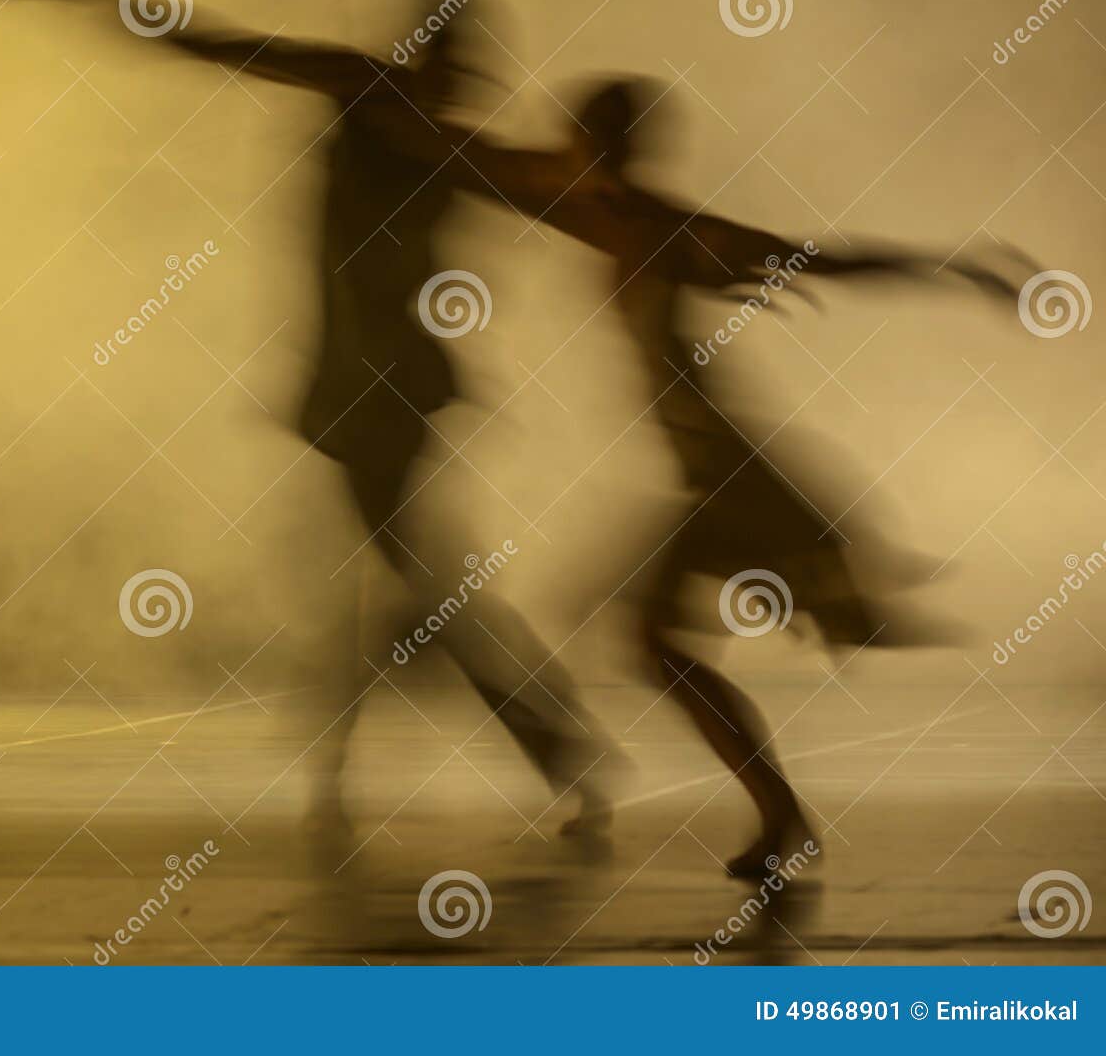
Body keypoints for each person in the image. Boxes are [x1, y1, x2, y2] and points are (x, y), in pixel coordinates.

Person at [0, 0, 625, 840]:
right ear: (426, 52)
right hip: (362, 393)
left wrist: (687, 244)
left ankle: (534, 749)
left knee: (418, 576)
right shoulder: (370, 93)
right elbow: (233, 48)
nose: (461, 80)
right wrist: (100, 1)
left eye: (466, 68)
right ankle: (420, 754)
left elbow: (560, 205)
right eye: (455, 61)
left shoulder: (444, 144)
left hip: (391, 399)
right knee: (401, 576)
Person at [370, 75, 1024, 878]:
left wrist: (953, 268)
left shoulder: (678, 235)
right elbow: (474, 162)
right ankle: (782, 810)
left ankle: (783, 808)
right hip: (709, 478)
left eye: (608, 146)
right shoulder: (583, 208)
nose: (592, 161)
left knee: (649, 640)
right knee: (655, 645)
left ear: (630, 150)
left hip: (733, 478)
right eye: (585, 144)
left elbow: (822, 260)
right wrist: (380, 110)